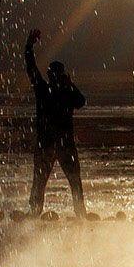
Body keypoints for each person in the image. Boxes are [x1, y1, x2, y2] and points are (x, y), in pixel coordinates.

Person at [24, 29, 87, 216]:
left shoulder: (45, 90)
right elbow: (81, 101)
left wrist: (29, 46)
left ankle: (36, 214)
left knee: (42, 182)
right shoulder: (57, 92)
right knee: (72, 181)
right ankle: (79, 214)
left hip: (51, 144)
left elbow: (31, 69)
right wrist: (70, 84)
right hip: (60, 144)